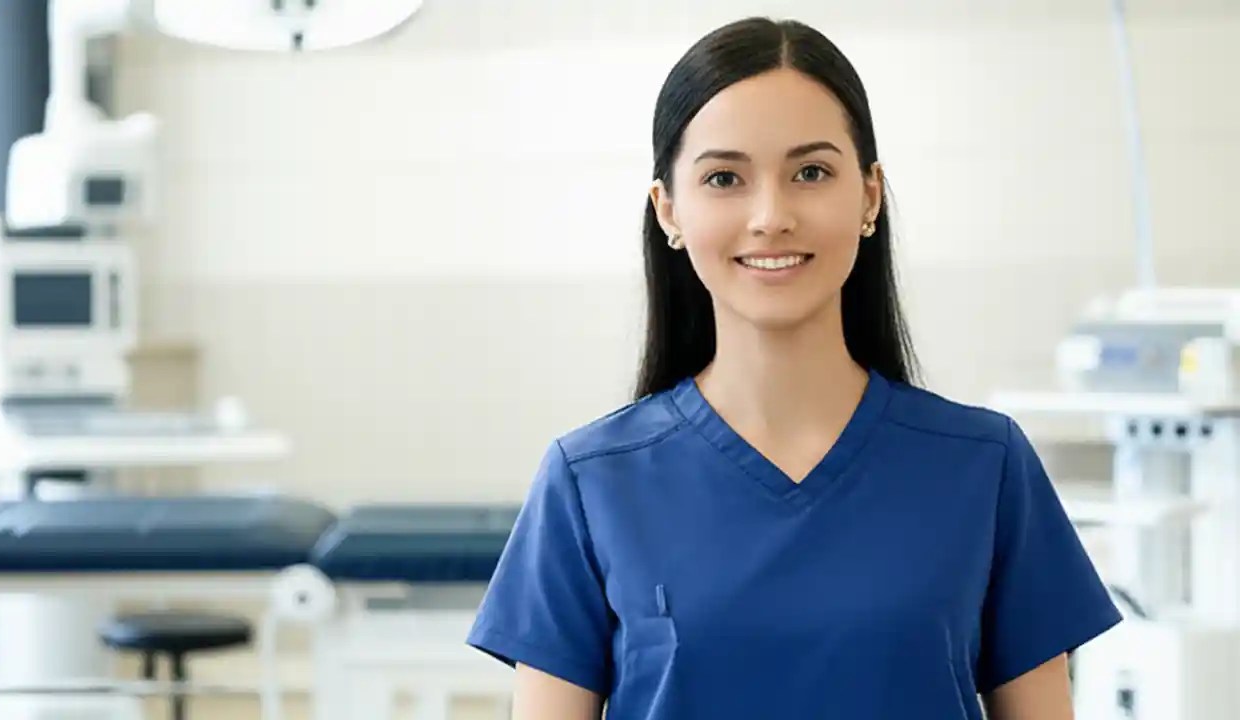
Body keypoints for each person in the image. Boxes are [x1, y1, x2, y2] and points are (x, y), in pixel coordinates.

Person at [466, 16, 1121, 719]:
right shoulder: (590, 482)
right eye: (724, 178)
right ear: (669, 211)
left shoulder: (984, 469)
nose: (771, 215)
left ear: (869, 195)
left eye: (810, 172)